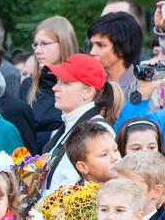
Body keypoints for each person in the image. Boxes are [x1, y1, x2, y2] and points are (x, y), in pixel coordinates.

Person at [39, 54, 123, 192]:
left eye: (65, 82)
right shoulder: (68, 126)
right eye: (57, 81)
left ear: (88, 92)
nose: (55, 88)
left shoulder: (99, 131)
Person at [20, 16, 79, 152]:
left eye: (44, 44)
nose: (37, 50)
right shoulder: (28, 86)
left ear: (63, 43)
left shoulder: (79, 85)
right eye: (36, 44)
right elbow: (21, 136)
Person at [88, 11, 145, 102]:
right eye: (92, 45)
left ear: (122, 49)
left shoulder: (142, 88)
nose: (92, 52)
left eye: (101, 45)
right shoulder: (92, 85)